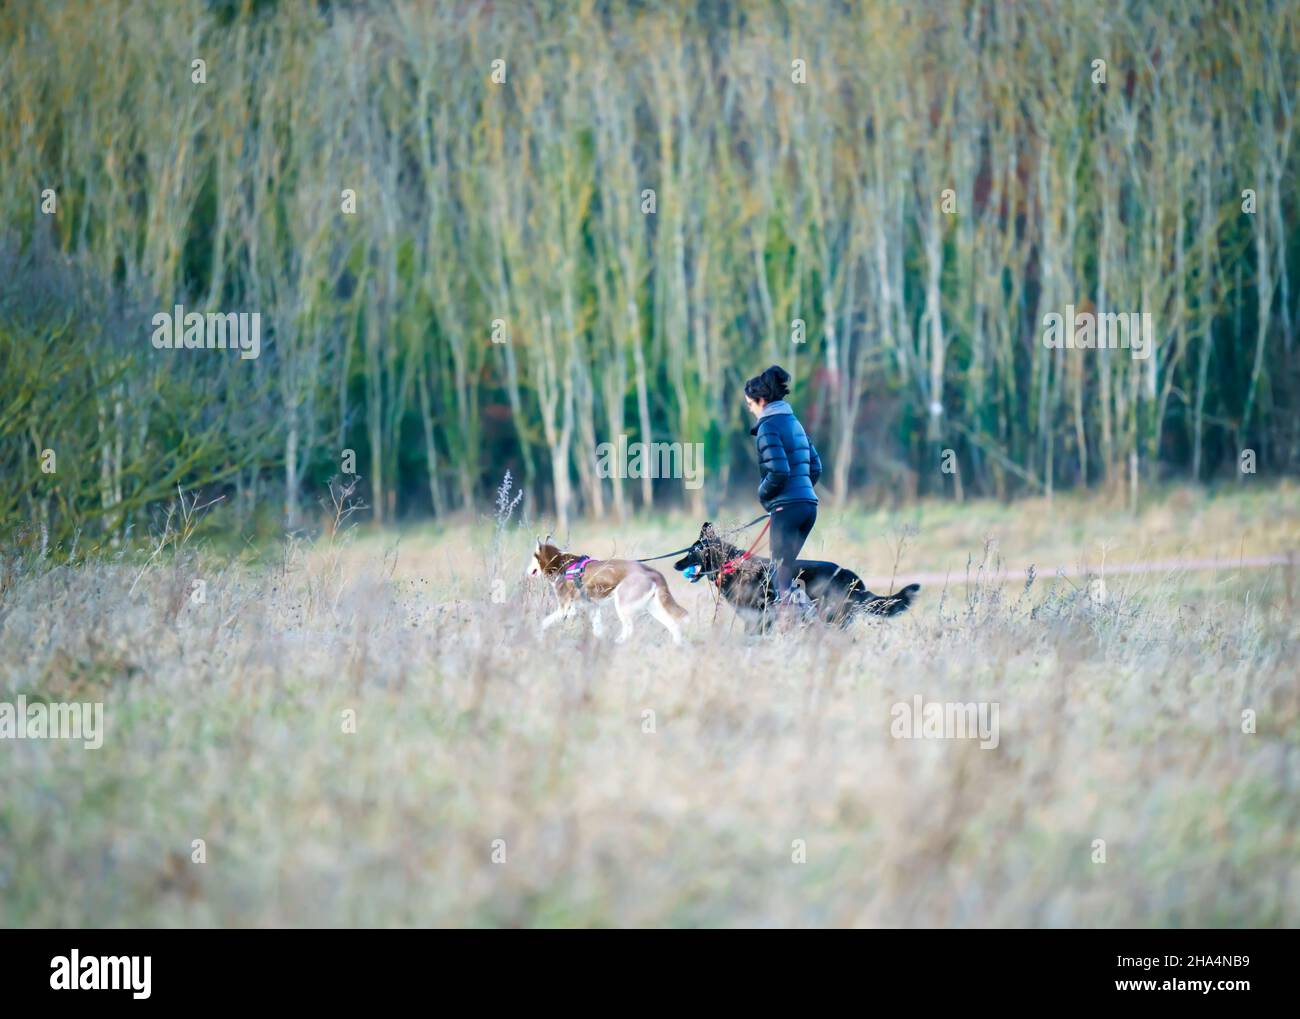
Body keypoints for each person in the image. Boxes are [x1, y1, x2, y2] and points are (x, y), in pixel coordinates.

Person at [743, 365, 822, 607]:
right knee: (784, 573)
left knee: (781, 579)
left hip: (786, 510)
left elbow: (779, 470)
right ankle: (810, 625)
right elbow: (815, 467)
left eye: (750, 405)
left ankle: (787, 634)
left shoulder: (768, 426)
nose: (751, 410)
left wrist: (765, 496)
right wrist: (800, 493)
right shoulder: (794, 422)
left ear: (761, 400)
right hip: (808, 508)